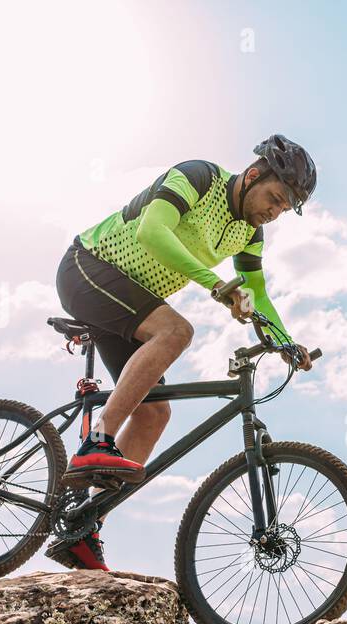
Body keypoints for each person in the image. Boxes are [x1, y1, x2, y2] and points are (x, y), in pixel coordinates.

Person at [47, 134, 316, 571]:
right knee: (176, 330)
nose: (275, 210)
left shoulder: (250, 233)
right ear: (252, 175)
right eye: (275, 197)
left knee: (155, 413)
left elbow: (257, 293)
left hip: (130, 300)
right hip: (88, 269)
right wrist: (214, 285)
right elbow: (153, 232)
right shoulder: (199, 176)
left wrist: (285, 341)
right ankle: (96, 440)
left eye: (285, 207)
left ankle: (83, 524)